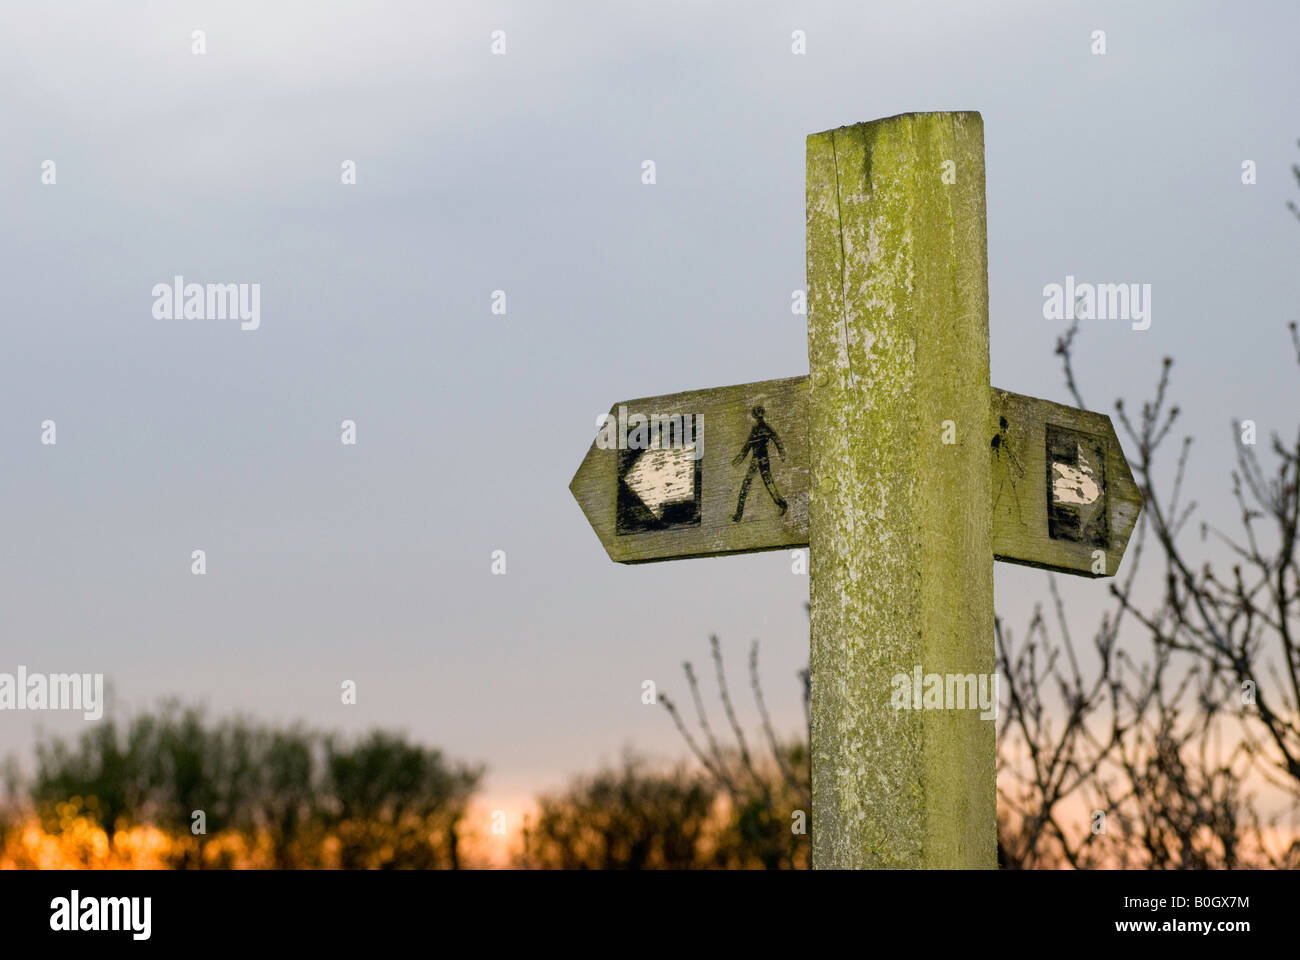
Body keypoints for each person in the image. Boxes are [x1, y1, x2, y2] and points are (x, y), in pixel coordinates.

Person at [731, 405, 787, 521]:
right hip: (758, 460)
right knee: (751, 485)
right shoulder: (759, 428)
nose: (759, 418)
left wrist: (782, 453)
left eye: (760, 416)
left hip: (761, 460)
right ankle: (738, 515)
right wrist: (737, 460)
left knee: (763, 484)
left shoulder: (764, 428)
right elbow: (748, 446)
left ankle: (782, 505)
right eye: (758, 416)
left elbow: (776, 440)